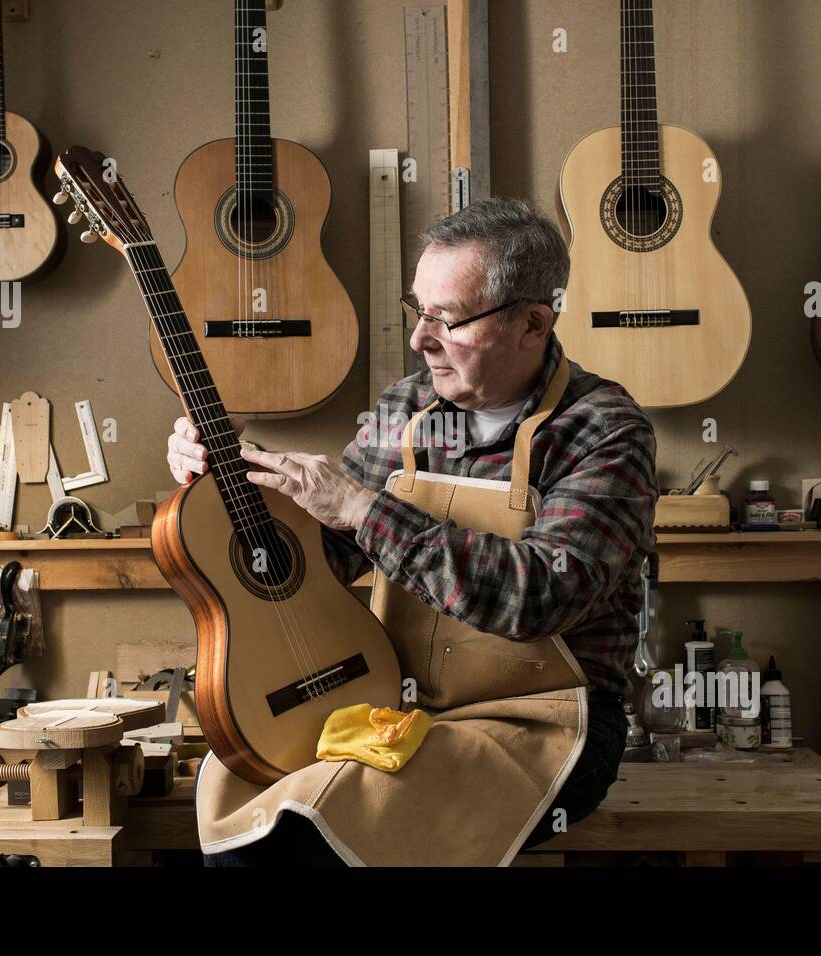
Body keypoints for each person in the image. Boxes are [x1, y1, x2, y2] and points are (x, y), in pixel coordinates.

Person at [166, 197, 658, 866]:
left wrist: (365, 508)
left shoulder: (603, 431)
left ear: (533, 323)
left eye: (447, 320)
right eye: (418, 311)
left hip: (544, 724)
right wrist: (228, 480)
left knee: (305, 830)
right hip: (391, 702)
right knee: (238, 787)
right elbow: (328, 557)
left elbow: (540, 596)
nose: (422, 339)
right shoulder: (404, 409)